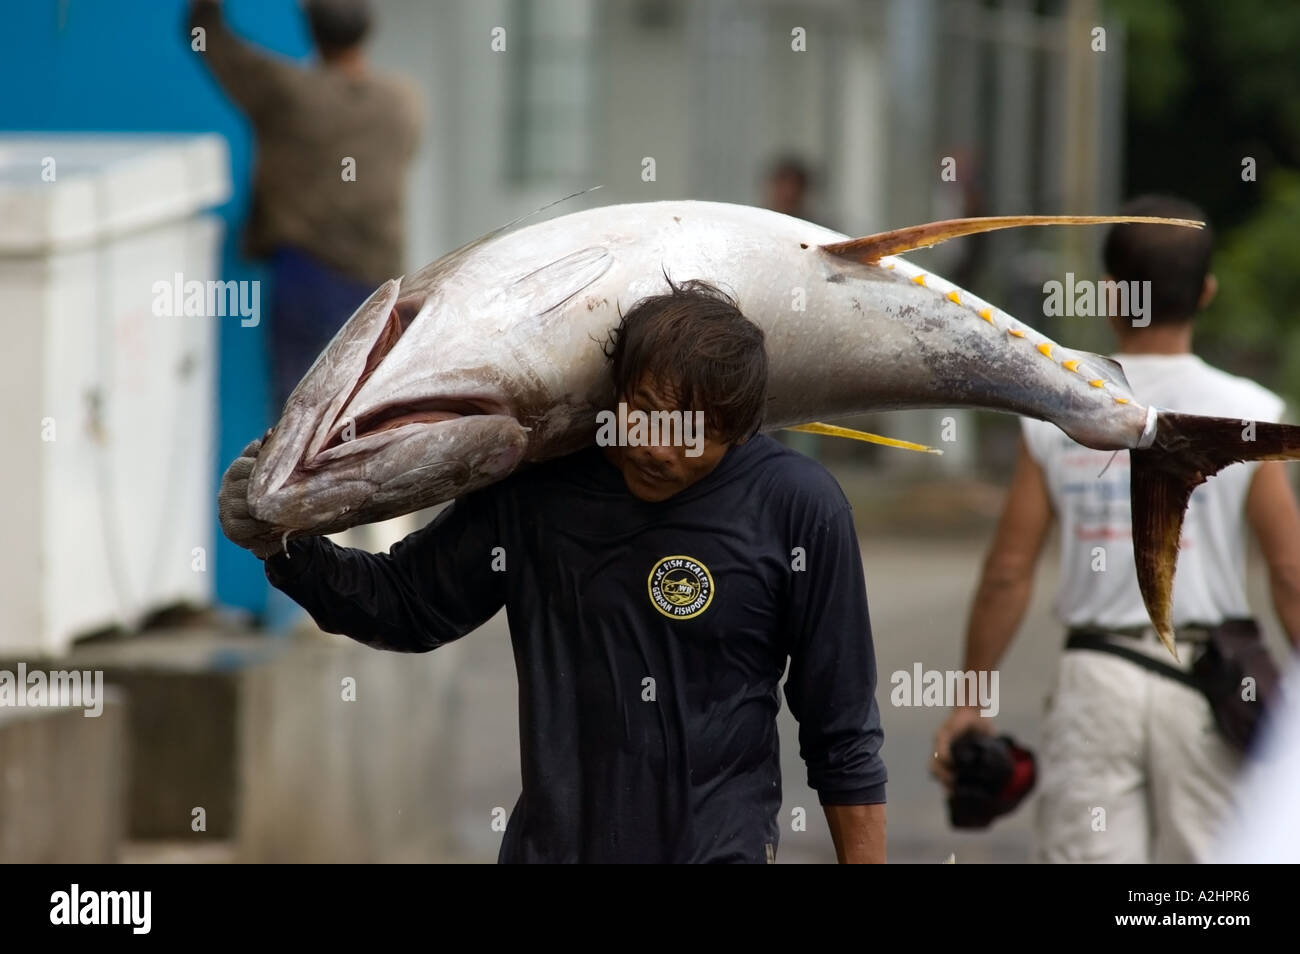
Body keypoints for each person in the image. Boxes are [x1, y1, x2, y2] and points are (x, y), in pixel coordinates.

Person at [219, 281, 888, 863]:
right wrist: (284, 547)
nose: (656, 447)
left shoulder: (798, 508)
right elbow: (407, 604)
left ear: (741, 431)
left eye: (690, 432)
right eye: (643, 414)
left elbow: (842, 732)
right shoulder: (540, 489)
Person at [930, 195, 1300, 863]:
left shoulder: (1058, 408)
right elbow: (1290, 573)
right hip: (1210, 689)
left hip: (1095, 681)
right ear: (1207, 292)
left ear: (1109, 296)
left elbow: (1009, 570)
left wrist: (970, 698)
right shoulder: (1250, 412)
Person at [187, 0, 422, 411]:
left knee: (301, 408)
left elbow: (206, 38)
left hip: (306, 277)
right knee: (373, 406)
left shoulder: (288, 95)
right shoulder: (403, 103)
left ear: (311, 30)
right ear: (368, 29)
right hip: (383, 283)